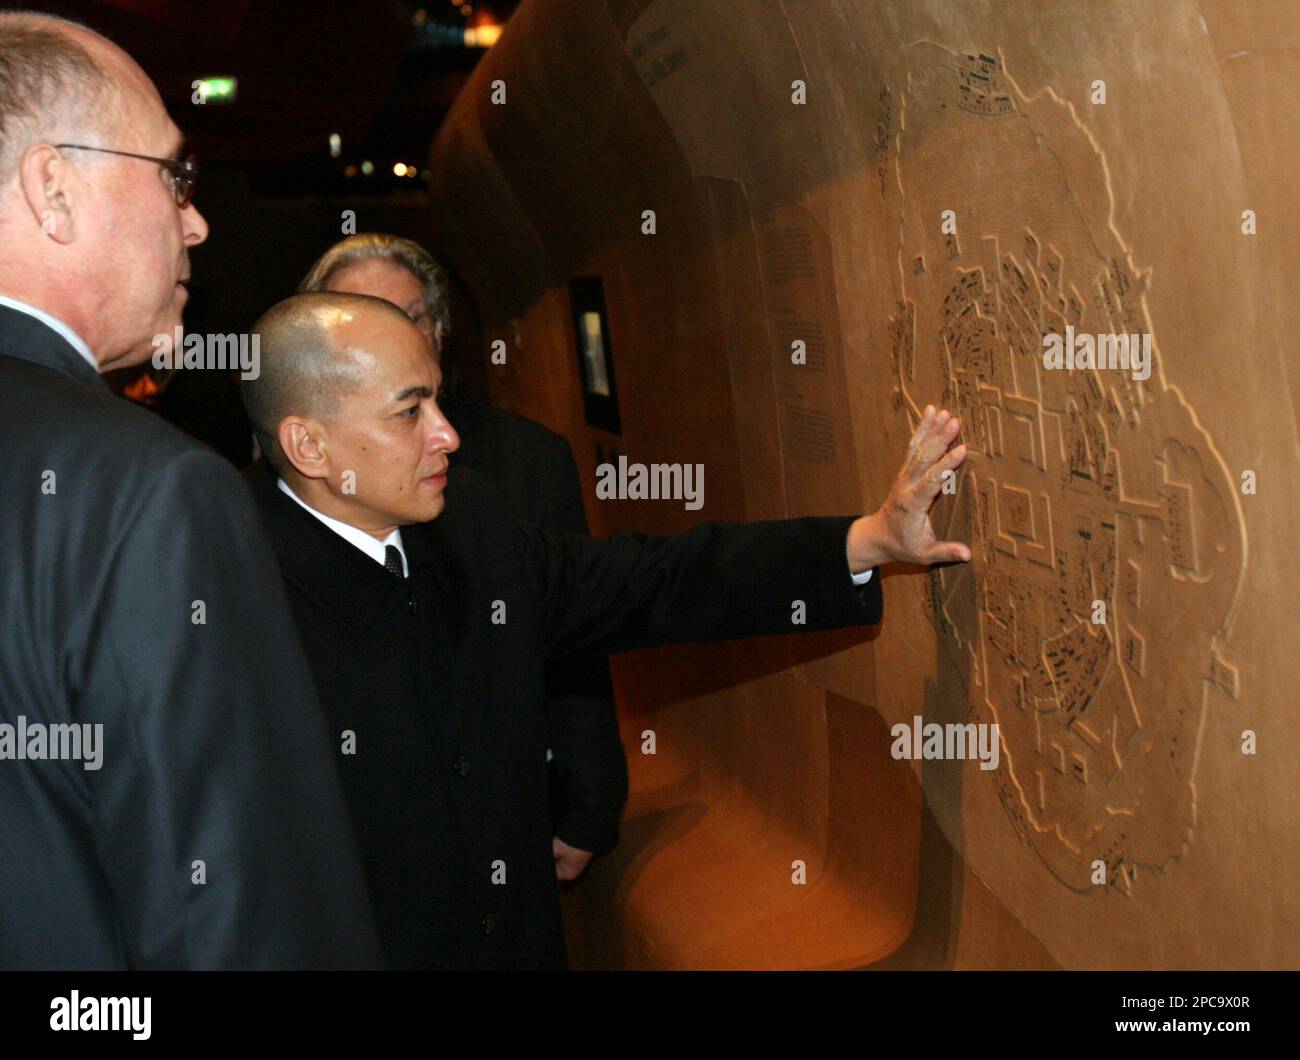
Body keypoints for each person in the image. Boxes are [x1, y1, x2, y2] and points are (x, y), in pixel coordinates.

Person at [239, 290, 970, 969]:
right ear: (309, 447)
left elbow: (657, 580)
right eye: (409, 412)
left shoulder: (471, 528)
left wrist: (868, 541)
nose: (448, 435)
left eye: (439, 399)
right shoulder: (229, 610)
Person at [0, 12, 381, 969]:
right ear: (53, 190)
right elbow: (237, 919)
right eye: (175, 175)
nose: (198, 219)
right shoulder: (152, 494)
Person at [299, 233, 626, 881]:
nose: (386, 335)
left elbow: (576, 638)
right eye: (359, 315)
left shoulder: (526, 462)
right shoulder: (288, 472)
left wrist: (590, 801)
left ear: (439, 334)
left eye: (407, 316)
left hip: (502, 817)